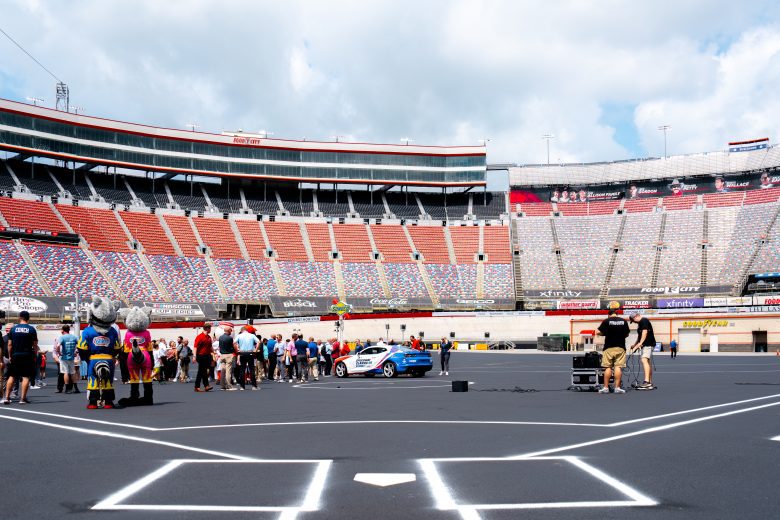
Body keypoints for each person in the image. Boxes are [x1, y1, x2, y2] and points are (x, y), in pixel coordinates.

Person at [3, 311, 38, 405]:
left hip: (15, 355)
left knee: (12, 376)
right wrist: (35, 355)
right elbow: (35, 345)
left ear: (20, 317)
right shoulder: (31, 329)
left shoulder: (13, 329)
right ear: (28, 318)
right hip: (27, 355)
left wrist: (10, 356)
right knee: (25, 377)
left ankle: (7, 398)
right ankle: (22, 399)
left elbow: (9, 344)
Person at [596, 303, 630, 394]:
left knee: (608, 367)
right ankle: (617, 388)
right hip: (620, 347)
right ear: (617, 314)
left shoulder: (606, 321)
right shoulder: (623, 321)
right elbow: (627, 334)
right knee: (618, 367)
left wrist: (603, 334)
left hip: (608, 347)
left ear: (609, 314)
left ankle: (606, 388)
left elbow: (599, 332)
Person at [629, 311, 657, 389]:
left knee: (644, 360)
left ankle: (646, 382)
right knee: (647, 362)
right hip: (645, 344)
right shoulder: (640, 323)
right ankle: (649, 382)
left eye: (633, 320)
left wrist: (640, 344)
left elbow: (645, 332)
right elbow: (640, 336)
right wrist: (635, 344)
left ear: (636, 316)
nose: (634, 322)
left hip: (648, 344)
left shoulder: (644, 320)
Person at [55, 325, 80, 394]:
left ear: (63, 330)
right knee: (73, 372)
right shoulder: (74, 337)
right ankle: (76, 388)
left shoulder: (62, 337)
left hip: (64, 357)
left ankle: (67, 388)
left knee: (65, 372)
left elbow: (58, 346)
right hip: (71, 357)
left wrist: (59, 352)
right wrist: (76, 351)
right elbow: (80, 345)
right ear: (69, 330)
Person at [235, 325, 259, 390]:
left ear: (241, 330)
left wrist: (237, 350)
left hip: (242, 353)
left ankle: (242, 386)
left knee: (242, 370)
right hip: (250, 352)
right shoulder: (252, 335)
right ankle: (254, 386)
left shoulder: (239, 336)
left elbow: (234, 342)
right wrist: (256, 349)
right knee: (251, 369)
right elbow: (258, 342)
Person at [193, 324, 214, 392]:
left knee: (204, 371)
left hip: (207, 355)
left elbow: (210, 347)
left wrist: (214, 353)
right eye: (210, 328)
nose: (210, 330)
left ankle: (206, 386)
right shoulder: (200, 337)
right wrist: (194, 356)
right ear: (207, 329)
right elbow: (195, 347)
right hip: (200, 355)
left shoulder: (209, 337)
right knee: (201, 371)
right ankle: (197, 386)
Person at [218, 325, 237, 391]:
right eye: (230, 330)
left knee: (223, 371)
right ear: (228, 331)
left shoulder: (220, 337)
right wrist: (235, 351)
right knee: (228, 371)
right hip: (228, 355)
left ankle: (223, 386)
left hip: (222, 355)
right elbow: (233, 346)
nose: (231, 332)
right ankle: (229, 386)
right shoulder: (230, 338)